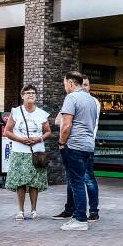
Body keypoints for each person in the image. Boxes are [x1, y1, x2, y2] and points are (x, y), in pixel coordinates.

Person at [53, 77, 101, 222]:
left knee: (80, 181)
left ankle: (81, 217)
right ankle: (74, 213)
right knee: (76, 180)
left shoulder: (72, 98)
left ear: (71, 83)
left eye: (65, 84)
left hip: (75, 145)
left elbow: (65, 125)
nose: (65, 87)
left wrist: (61, 142)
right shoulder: (91, 100)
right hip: (87, 144)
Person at [4, 85, 51, 220]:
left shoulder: (42, 113)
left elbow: (48, 131)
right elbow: (7, 131)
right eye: (27, 93)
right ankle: (21, 211)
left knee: (34, 182)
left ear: (36, 96)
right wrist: (20, 139)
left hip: (36, 153)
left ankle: (34, 210)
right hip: (19, 151)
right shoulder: (16, 112)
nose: (30, 95)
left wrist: (39, 138)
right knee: (20, 182)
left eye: (33, 93)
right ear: (22, 96)